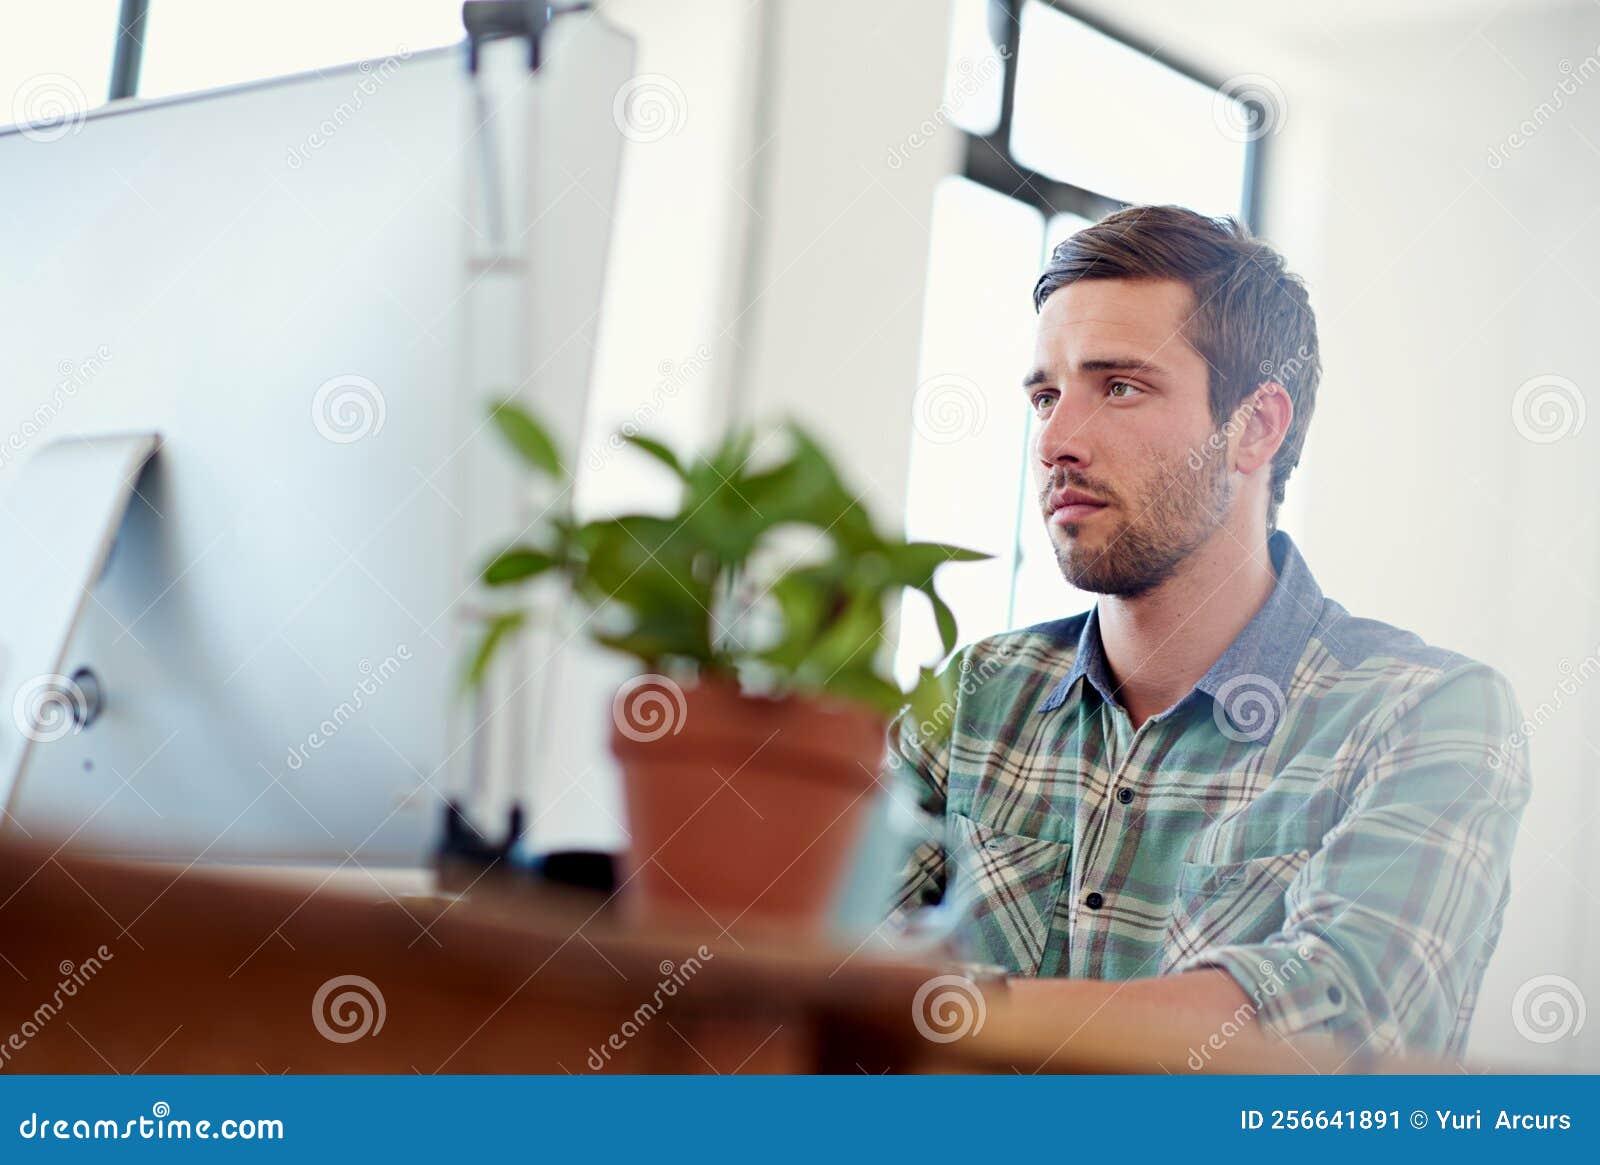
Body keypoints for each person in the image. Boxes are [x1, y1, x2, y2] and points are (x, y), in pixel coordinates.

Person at [886, 205, 1530, 1062]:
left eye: (1118, 386)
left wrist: (945, 1013)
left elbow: (1335, 1039)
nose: (1055, 442)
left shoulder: (1427, 715)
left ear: (1256, 426)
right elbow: (809, 961)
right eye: (1046, 395)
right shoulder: (975, 698)